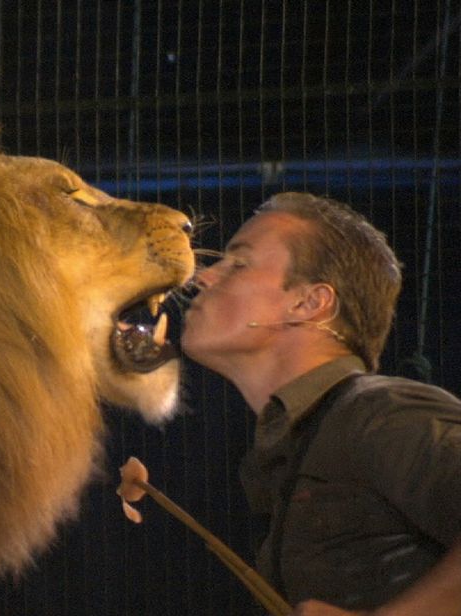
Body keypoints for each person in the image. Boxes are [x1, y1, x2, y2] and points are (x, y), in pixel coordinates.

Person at [181, 192, 461, 616]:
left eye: (238, 263)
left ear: (309, 303)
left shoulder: (379, 414)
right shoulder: (304, 440)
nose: (204, 276)